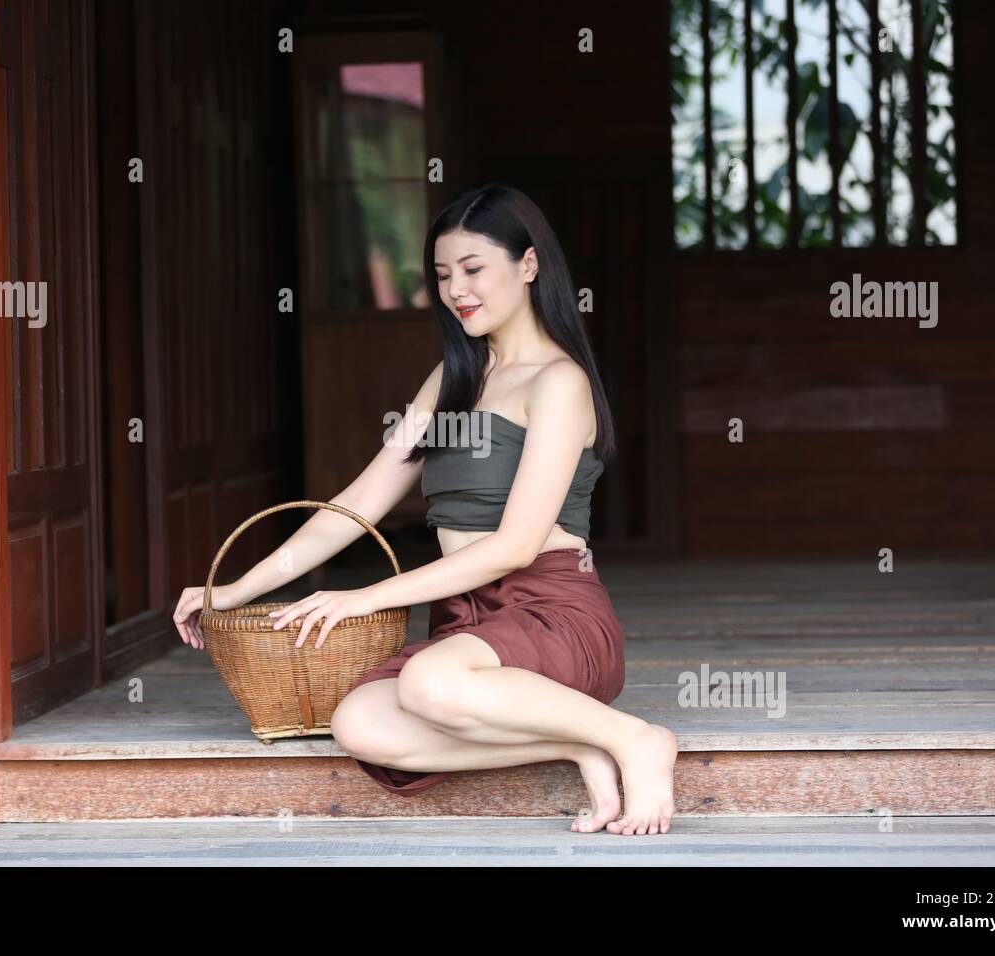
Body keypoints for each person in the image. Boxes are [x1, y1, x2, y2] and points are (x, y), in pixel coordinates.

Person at [173, 182, 678, 836]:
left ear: (528, 266)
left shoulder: (560, 383)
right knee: (360, 722)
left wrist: (364, 596)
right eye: (442, 275)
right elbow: (357, 504)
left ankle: (636, 738)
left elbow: (515, 547)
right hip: (472, 624)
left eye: (473, 269)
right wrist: (236, 588)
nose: (456, 289)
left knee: (428, 688)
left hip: (554, 614)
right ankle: (580, 742)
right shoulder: (452, 381)